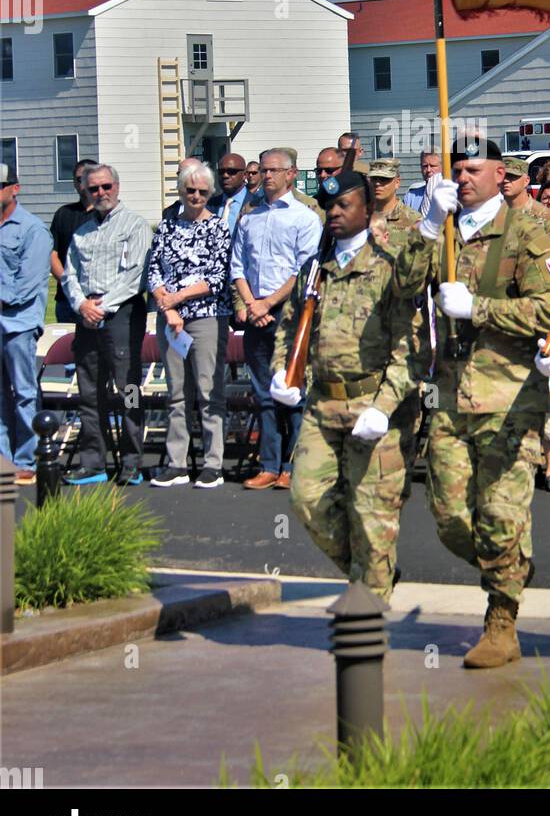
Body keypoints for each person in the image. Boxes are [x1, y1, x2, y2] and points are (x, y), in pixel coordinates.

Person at [393, 136, 550, 668]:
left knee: (498, 513)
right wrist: (424, 226)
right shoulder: (440, 231)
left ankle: (501, 621)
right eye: (456, 170)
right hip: (449, 397)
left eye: (472, 170)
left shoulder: (526, 235)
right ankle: (509, 564)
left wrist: (479, 309)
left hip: (508, 397)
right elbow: (398, 287)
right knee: (448, 517)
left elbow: (549, 314)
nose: (462, 178)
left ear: (500, 176)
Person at [270, 171, 417, 600]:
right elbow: (289, 328)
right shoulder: (315, 268)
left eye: (343, 205)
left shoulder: (390, 267)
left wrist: (385, 406)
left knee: (372, 514)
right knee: (307, 498)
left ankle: (370, 608)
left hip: (372, 404)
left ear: (367, 209)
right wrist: (282, 370)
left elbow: (411, 346)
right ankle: (374, 572)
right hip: (322, 405)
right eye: (329, 206)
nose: (333, 212)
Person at [230, 148, 322, 489]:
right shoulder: (249, 217)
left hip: (289, 312)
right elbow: (237, 266)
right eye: (263, 170)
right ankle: (269, 465)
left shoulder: (304, 218)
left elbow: (305, 270)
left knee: (293, 391)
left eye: (273, 170)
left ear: (291, 174)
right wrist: (252, 303)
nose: (266, 176)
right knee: (264, 394)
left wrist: (268, 303)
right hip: (256, 313)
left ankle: (292, 465)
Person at [62, 165, 152, 485]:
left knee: (127, 389)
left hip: (121, 315)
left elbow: (136, 276)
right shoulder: (82, 231)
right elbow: (68, 275)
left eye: (106, 186)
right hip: (87, 316)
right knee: (90, 392)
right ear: (85, 191)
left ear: (117, 185)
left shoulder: (135, 225)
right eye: (93, 189)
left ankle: (131, 461)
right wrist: (82, 305)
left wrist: (103, 306)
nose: (100, 193)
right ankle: (93, 462)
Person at [147, 162, 232, 488]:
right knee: (176, 394)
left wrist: (176, 299)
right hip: (171, 320)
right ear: (181, 191)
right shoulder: (166, 228)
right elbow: (153, 271)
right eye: (189, 190)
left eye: (201, 191)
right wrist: (167, 308)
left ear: (209, 194)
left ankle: (213, 464)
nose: (195, 196)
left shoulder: (218, 229)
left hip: (206, 316)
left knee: (210, 391)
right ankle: (177, 463)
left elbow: (215, 277)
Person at [505, 164, 550, 496]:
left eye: (512, 178)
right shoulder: (494, 216)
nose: (505, 183)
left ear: (526, 182)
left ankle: (548, 468)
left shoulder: (545, 217)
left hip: (540, 307)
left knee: (546, 398)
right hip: (506, 310)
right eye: (502, 177)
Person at [0, 164, 53, 485]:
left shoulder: (32, 229)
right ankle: (3, 459)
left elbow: (28, 284)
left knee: (23, 393)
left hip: (18, 324)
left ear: (14, 188)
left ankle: (26, 459)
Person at [49, 159, 97, 323]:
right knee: (66, 347)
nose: (83, 182)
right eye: (78, 179)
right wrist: (68, 283)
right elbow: (52, 255)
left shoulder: (109, 215)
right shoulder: (63, 214)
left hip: (97, 300)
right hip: (66, 300)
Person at [368, 159, 420, 250]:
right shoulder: (361, 218)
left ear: (397, 183)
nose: (377, 183)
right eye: (374, 179)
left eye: (384, 179)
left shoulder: (413, 220)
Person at [208, 154, 250, 236]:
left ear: (244, 175)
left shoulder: (257, 204)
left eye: (231, 172)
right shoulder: (209, 204)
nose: (225, 175)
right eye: (221, 172)